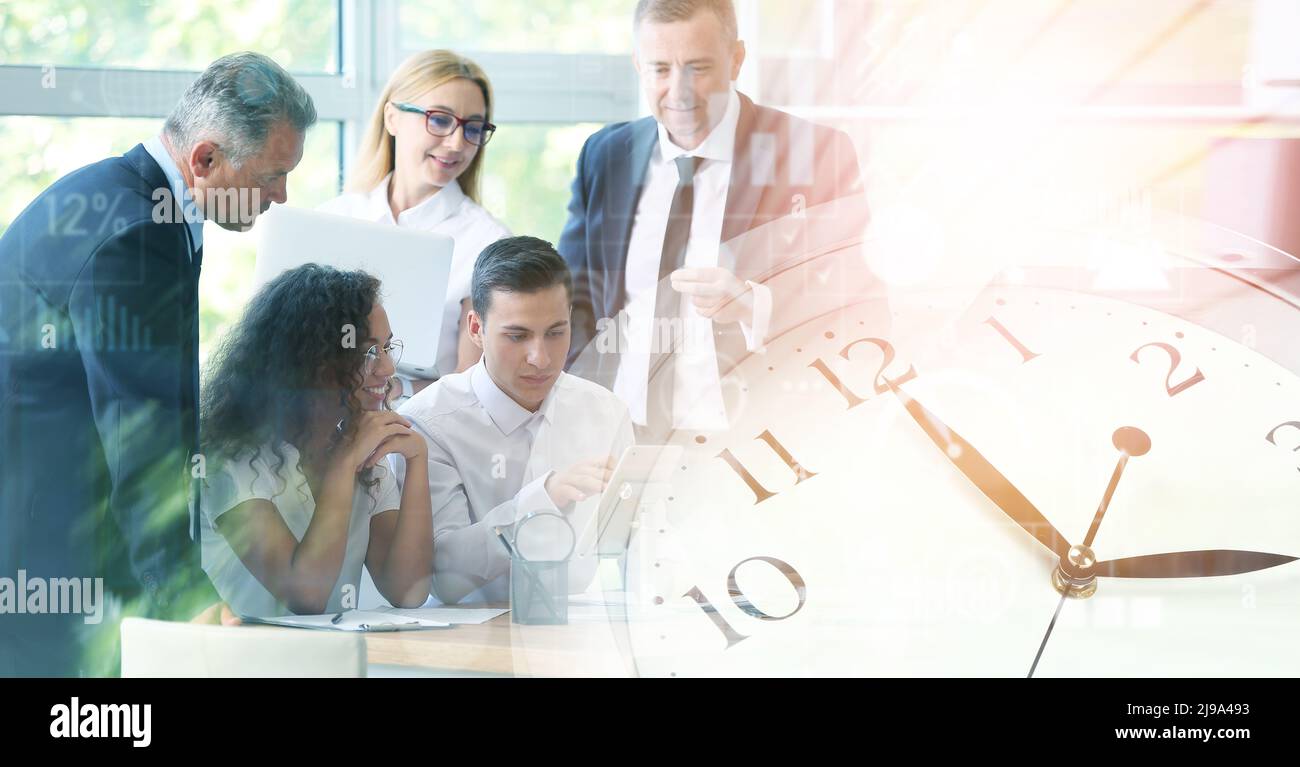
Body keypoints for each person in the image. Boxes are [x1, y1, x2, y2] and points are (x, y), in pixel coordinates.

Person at [0, 52, 315, 676]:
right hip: (49, 571)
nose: (282, 196)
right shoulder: (134, 236)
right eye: (274, 175)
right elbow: (141, 441)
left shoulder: (127, 198)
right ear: (205, 160)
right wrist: (186, 599)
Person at [558, 0, 870, 439]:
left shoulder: (815, 155)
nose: (680, 92)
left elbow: (859, 307)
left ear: (736, 59)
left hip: (754, 445)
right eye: (660, 69)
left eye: (698, 68)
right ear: (638, 65)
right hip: (620, 441)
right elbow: (573, 298)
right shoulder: (607, 154)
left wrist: (753, 305)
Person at [397, 237, 633, 605]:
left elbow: (630, 548)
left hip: (580, 634)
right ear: (475, 328)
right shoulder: (428, 423)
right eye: (517, 335)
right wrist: (543, 500)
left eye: (556, 333)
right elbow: (443, 577)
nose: (540, 358)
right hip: (459, 643)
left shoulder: (606, 412)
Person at [198, 264, 433, 616]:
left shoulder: (363, 451)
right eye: (368, 353)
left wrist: (417, 463)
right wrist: (342, 466)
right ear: (311, 362)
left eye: (387, 349)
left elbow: (408, 591)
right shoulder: (231, 460)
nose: (386, 370)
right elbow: (306, 596)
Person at [320, 50, 511, 398]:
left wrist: (393, 388)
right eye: (439, 120)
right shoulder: (334, 218)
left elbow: (471, 389)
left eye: (473, 128)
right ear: (392, 117)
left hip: (430, 437)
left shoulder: (487, 243)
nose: (457, 143)